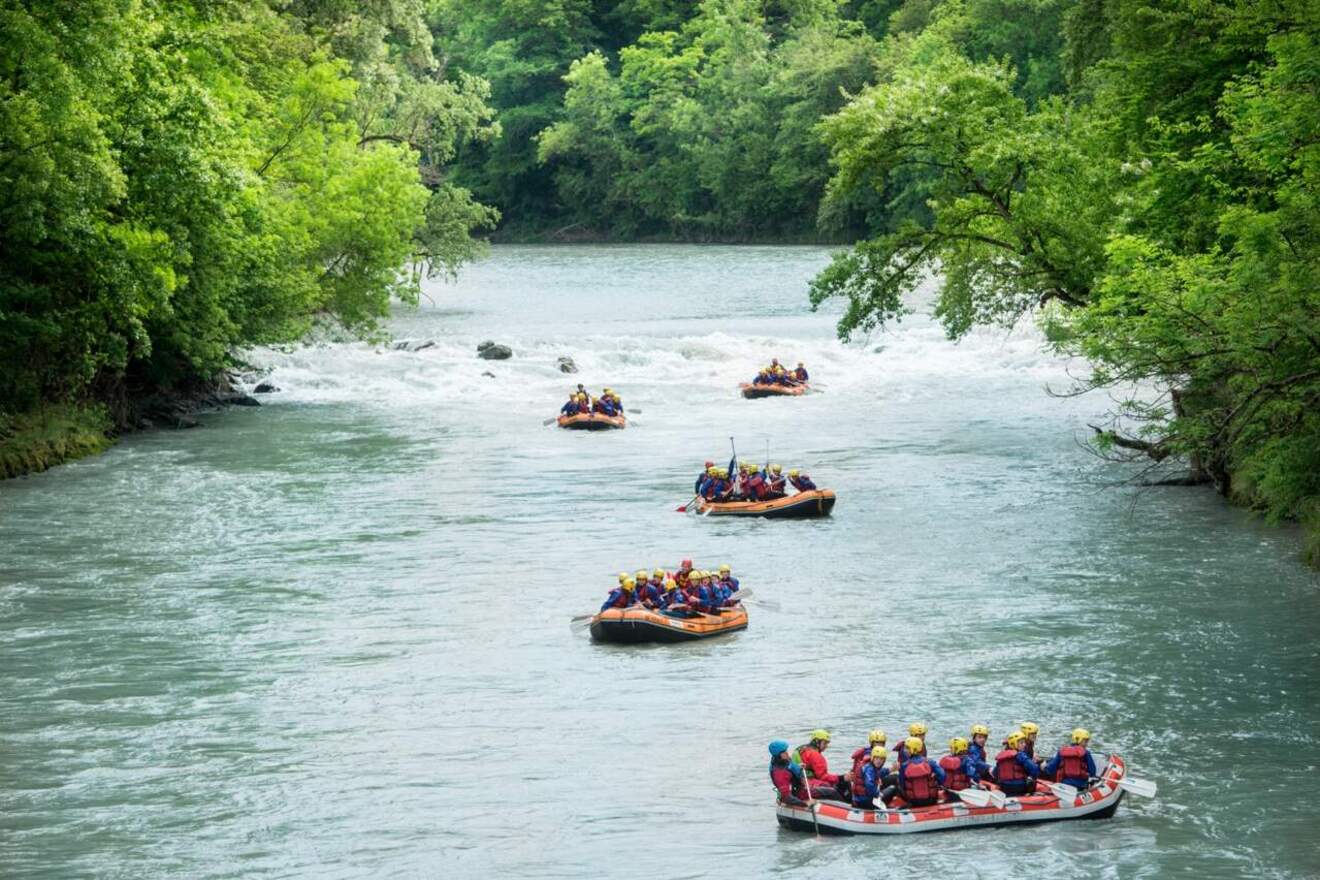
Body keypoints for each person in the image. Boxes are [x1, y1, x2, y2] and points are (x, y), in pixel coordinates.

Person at [793, 729, 849, 800]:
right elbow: (822, 776)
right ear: (817, 742)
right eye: (825, 743)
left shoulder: (802, 749)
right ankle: (843, 804)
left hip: (798, 781)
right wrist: (842, 777)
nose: (826, 746)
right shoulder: (815, 755)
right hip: (805, 783)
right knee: (831, 786)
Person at [897, 737, 946, 807]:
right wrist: (937, 783)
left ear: (913, 749)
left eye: (907, 748)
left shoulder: (904, 766)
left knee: (897, 785)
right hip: (931, 800)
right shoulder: (930, 762)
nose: (905, 750)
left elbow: (902, 784)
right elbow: (942, 775)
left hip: (913, 801)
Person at [992, 730, 1041, 796]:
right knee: (1032, 781)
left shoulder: (1001, 756)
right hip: (1019, 787)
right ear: (1014, 744)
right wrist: (1032, 777)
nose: (1024, 744)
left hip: (1004, 787)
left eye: (1024, 742)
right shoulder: (1020, 755)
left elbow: (995, 773)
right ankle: (1030, 796)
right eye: (1021, 743)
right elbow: (1034, 769)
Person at [769, 740, 810, 806]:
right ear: (778, 755)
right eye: (784, 752)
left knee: (825, 787)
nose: (787, 753)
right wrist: (805, 804)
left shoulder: (784, 761)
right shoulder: (779, 773)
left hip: (801, 788)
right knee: (827, 791)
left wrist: (798, 766)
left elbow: (790, 768)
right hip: (797, 793)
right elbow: (787, 798)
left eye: (786, 751)